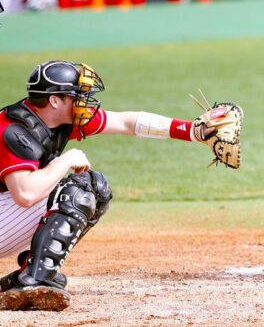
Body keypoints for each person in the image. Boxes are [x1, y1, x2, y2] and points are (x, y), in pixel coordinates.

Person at [0, 60, 231, 311]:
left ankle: (30, 273)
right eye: (76, 95)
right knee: (79, 192)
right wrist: (66, 159)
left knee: (95, 188)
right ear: (55, 100)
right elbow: (25, 194)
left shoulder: (55, 118)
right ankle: (32, 281)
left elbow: (127, 122)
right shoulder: (13, 130)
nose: (83, 102)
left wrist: (194, 131)